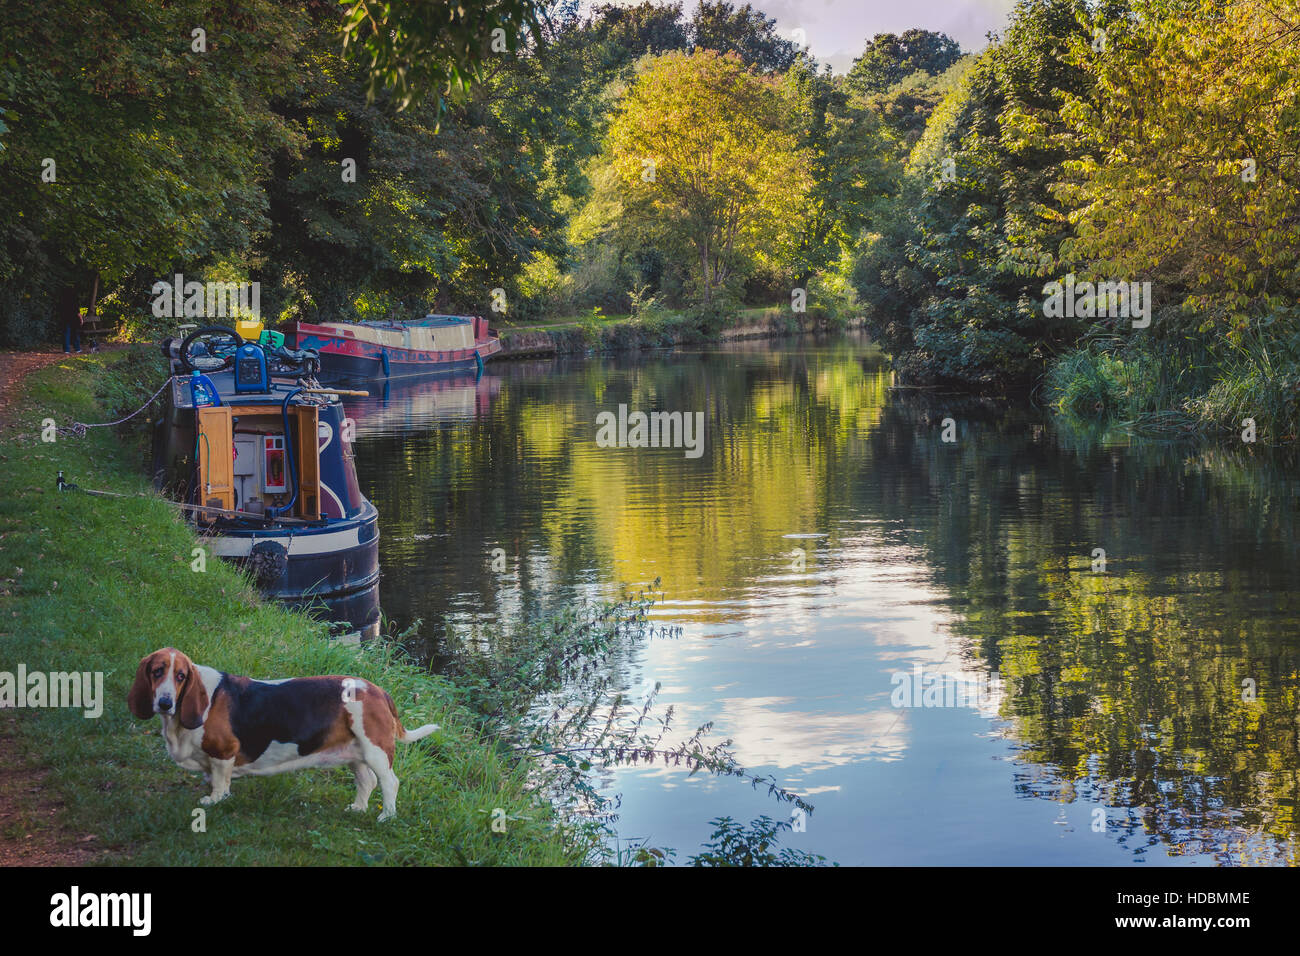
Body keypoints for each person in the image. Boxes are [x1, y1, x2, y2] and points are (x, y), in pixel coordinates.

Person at [58, 285, 82, 353]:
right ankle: (77, 348)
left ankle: (66, 350)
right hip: (73, 318)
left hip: (65, 318)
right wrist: (81, 319)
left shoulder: (62, 299)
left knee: (66, 334)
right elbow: (77, 311)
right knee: (75, 334)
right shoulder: (74, 299)